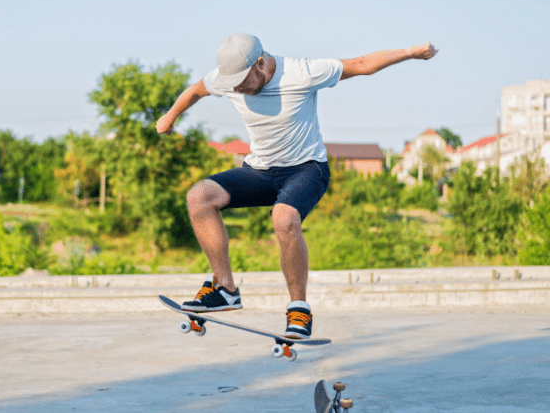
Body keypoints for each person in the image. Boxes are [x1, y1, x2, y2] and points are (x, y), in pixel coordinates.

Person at [155, 33, 438, 339]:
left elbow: (362, 64)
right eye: (232, 83)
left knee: (284, 218)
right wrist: (170, 117)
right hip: (260, 171)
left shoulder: (301, 73)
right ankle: (225, 288)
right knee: (200, 197)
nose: (237, 89)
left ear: (261, 63)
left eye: (243, 81)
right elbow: (195, 91)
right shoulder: (226, 79)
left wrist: (410, 52)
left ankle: (299, 309)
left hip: (306, 170)